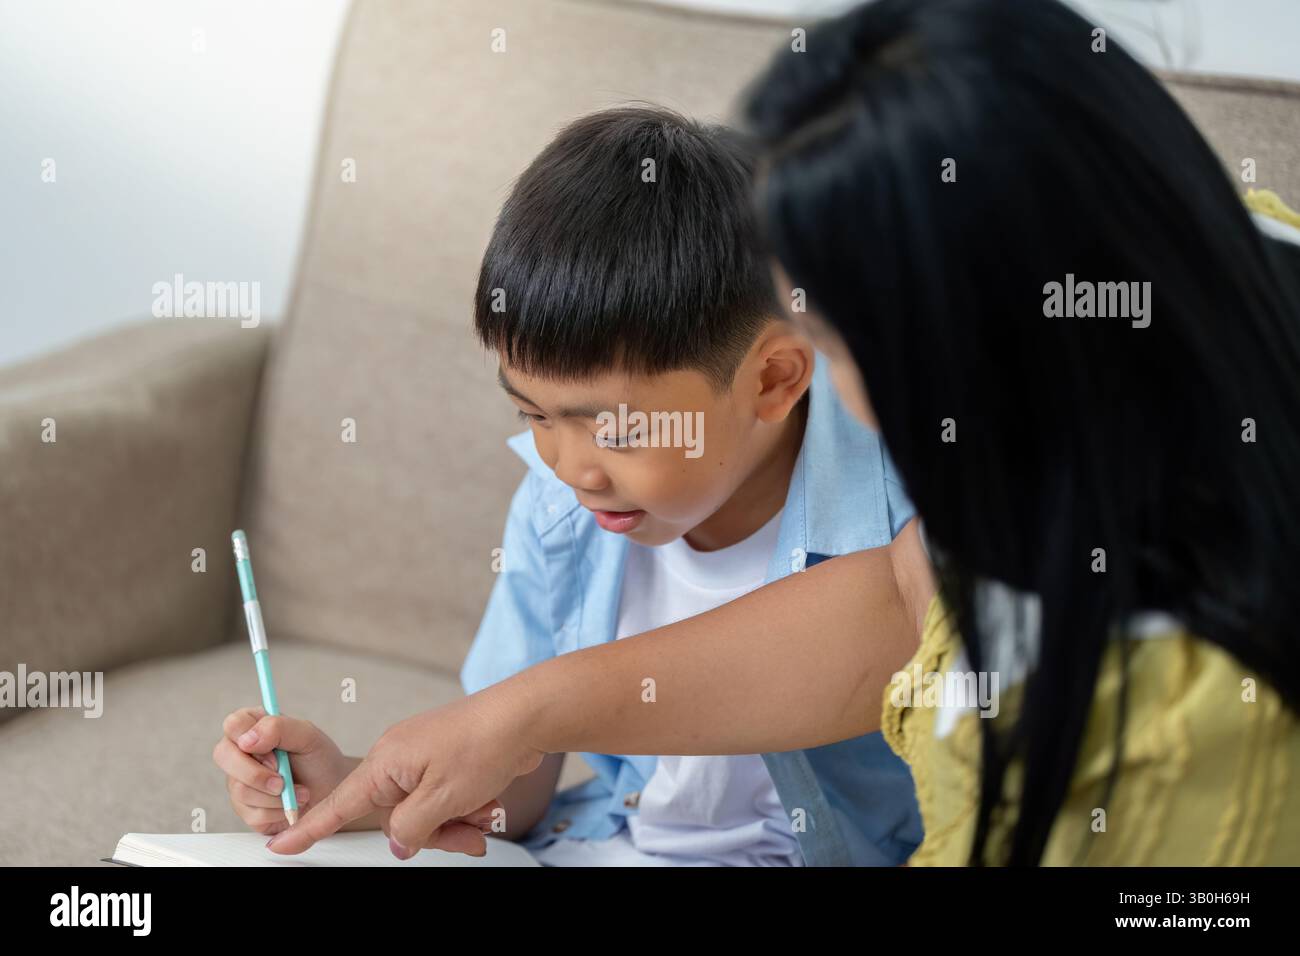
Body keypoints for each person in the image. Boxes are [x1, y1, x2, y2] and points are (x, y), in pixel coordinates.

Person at [256, 0, 1300, 865]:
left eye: (848, 350)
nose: (855, 403)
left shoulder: (1137, 726)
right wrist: (480, 737)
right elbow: (894, 598)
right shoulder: (1191, 299)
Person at [218, 106, 923, 866]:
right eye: (533, 415)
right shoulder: (558, 512)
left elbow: (904, 632)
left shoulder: (909, 496)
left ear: (773, 380)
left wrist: (525, 713)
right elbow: (516, 789)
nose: (572, 468)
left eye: (617, 431)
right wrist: (365, 792)